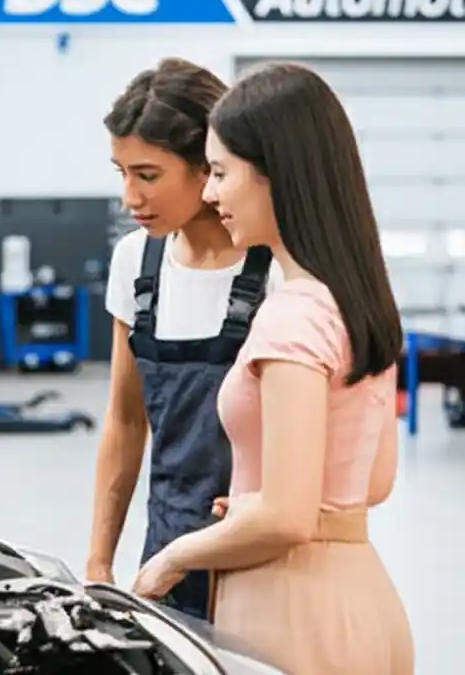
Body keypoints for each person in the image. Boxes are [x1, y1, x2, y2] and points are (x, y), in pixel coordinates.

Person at [132, 61, 414, 674]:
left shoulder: (292, 317)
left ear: (275, 176)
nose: (210, 193)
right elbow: (372, 484)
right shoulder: (358, 303)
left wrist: (176, 555)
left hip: (289, 614)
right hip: (366, 604)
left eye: (222, 172)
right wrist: (258, 503)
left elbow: (285, 516)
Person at [86, 58, 281, 620]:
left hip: (260, 559)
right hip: (166, 557)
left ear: (207, 168)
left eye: (147, 175)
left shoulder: (279, 271)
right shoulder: (135, 263)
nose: (130, 197)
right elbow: (126, 422)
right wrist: (100, 563)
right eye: (120, 173)